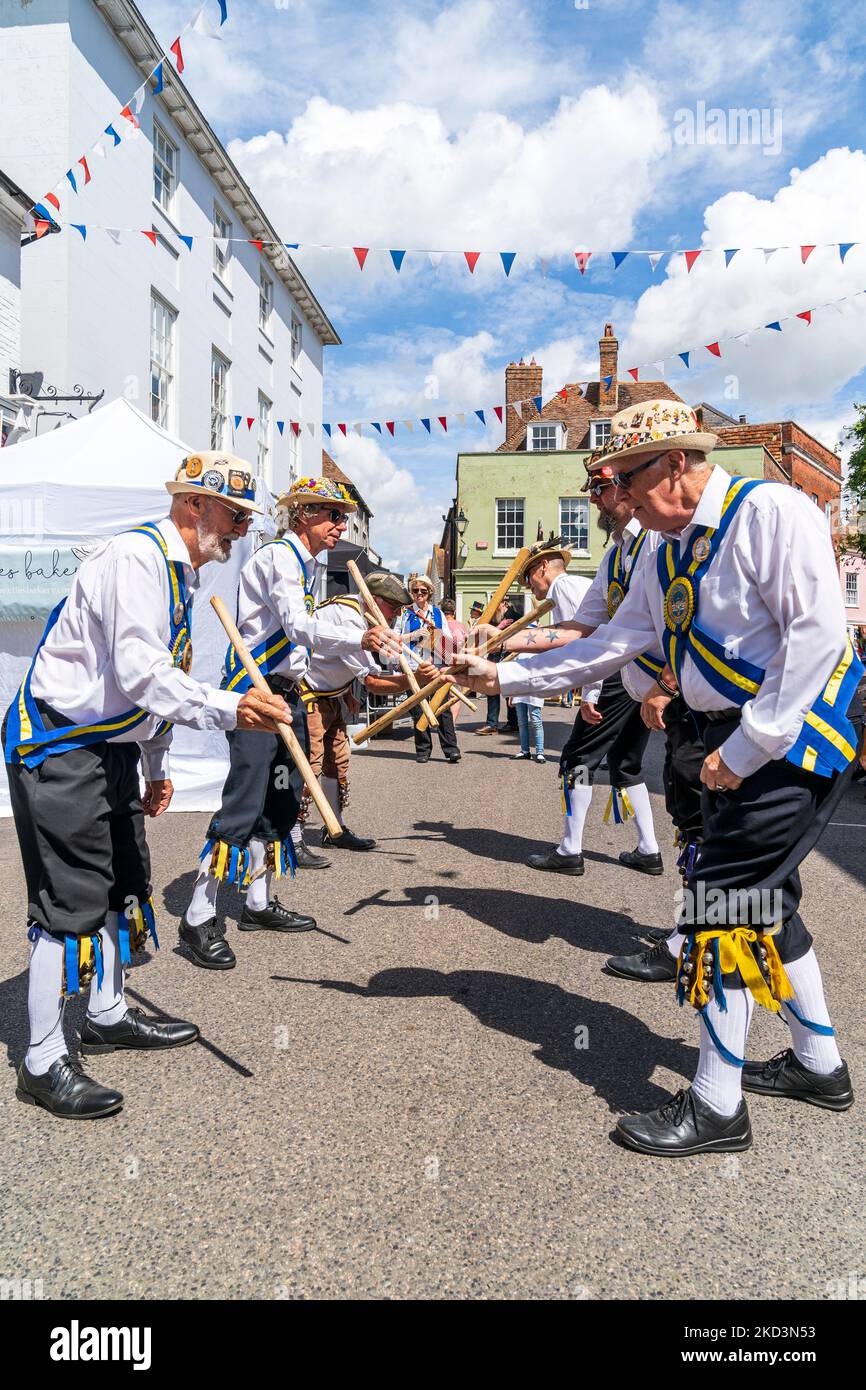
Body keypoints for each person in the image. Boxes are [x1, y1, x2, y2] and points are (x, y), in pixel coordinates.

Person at [457, 400, 863, 1156]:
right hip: (728, 737)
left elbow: (817, 639)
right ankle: (821, 1067)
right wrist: (505, 677)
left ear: (676, 463)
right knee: (764, 905)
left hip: (790, 741)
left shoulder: (771, 513)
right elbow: (616, 642)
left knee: (718, 908)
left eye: (624, 479)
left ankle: (717, 1107)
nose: (617, 497)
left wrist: (743, 750)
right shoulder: (660, 549)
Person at [3, 451, 292, 1119]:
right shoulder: (135, 560)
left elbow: (153, 684)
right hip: (60, 741)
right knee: (71, 896)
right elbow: (140, 673)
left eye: (248, 516)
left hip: (109, 746)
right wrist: (230, 706)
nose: (244, 527)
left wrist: (156, 766)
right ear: (194, 505)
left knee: (120, 884)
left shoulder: (177, 576)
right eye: (235, 513)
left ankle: (104, 1013)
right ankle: (42, 1060)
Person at [180, 476, 395, 968]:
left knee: (280, 800)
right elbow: (298, 627)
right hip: (256, 693)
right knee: (243, 801)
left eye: (343, 517)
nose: (341, 525)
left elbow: (300, 634)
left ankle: (257, 902)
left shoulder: (307, 564)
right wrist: (359, 639)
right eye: (332, 515)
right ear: (303, 516)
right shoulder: (280, 557)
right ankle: (197, 914)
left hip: (286, 692)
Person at [499, 521, 661, 879]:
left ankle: (570, 850)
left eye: (529, 578)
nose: (529, 586)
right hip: (635, 673)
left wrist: (590, 692)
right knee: (625, 762)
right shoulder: (585, 581)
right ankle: (649, 849)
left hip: (613, 678)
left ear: (543, 568)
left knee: (577, 761)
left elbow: (584, 641)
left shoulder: (567, 586)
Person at [296, 572, 437, 850]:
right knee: (308, 766)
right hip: (308, 693)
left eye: (399, 610)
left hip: (333, 694)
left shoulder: (363, 614)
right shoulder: (348, 617)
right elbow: (372, 682)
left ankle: (334, 830)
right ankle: (293, 838)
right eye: (392, 608)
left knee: (337, 761)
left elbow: (337, 659)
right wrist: (417, 681)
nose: (396, 616)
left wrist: (347, 690)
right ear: (373, 601)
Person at [396, 573, 460, 764]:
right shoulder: (404, 613)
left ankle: (451, 749)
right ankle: (423, 750)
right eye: (415, 590)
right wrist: (415, 634)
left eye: (423, 591)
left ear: (430, 593)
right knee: (417, 708)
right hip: (413, 666)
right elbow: (395, 638)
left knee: (442, 707)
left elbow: (448, 640)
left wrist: (435, 638)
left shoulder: (438, 613)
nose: (419, 594)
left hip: (436, 665)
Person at [476, 599, 513, 735]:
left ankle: (513, 723)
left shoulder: (513, 615)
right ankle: (492, 724)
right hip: (494, 656)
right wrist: (499, 627)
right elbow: (484, 637)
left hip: (509, 657)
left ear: (504, 603)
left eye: (497, 602)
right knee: (491, 689)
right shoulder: (492, 618)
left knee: (510, 691)